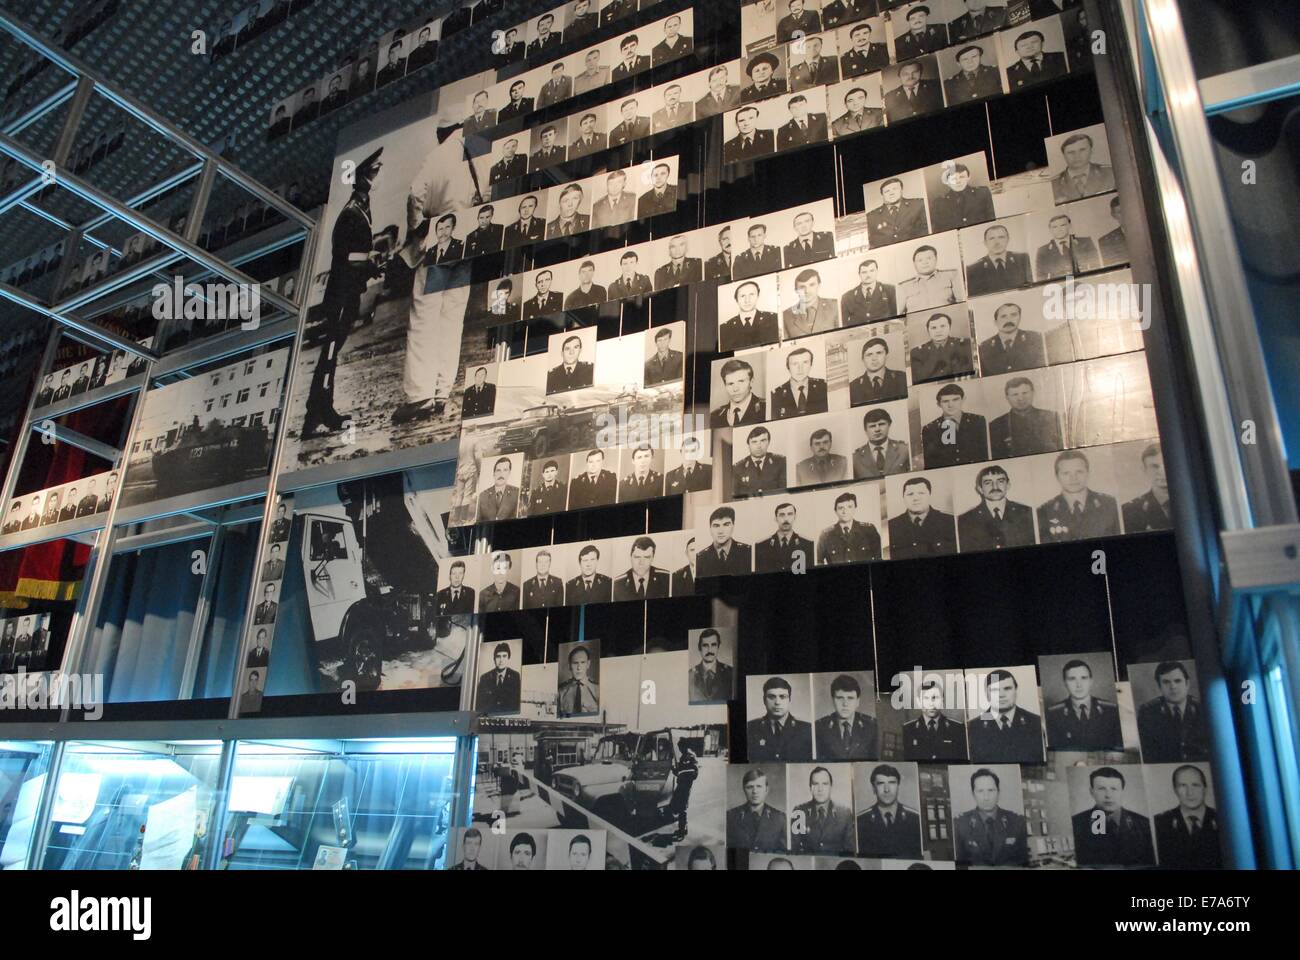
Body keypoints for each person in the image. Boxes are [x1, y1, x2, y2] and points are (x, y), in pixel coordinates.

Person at [300, 147, 383, 437]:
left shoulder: (360, 209)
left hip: (348, 292)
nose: (375, 179)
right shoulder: (351, 213)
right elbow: (346, 255)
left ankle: (320, 410)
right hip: (340, 294)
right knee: (330, 353)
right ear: (361, 180)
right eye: (373, 174)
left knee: (331, 354)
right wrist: (369, 261)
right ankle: (319, 412)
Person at [1072, 766, 1156, 866]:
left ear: (1122, 791)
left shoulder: (1144, 824)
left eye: (1114, 789)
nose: (1108, 795)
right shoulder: (1076, 823)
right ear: (1092, 792)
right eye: (1101, 789)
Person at [1038, 450, 1121, 541]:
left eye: (1079, 472)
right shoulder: (1044, 511)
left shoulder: (1110, 504)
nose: (1073, 478)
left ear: (1088, 473)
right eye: (1066, 473)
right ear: (1057, 476)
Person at [954, 768, 1029, 866]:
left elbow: (1024, 864)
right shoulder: (960, 824)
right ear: (973, 794)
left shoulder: (1017, 822)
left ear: (998, 792)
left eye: (991, 790)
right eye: (980, 791)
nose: (986, 797)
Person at [1137, 661, 1209, 762]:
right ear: (1159, 686)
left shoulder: (1203, 709)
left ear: (1187, 683)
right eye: (1166, 682)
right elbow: (1148, 753)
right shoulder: (1148, 713)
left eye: (1177, 681)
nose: (1173, 687)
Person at [1045, 658, 1123, 750]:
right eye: (1072, 679)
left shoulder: (1112, 710)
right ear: (1065, 683)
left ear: (1091, 681)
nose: (1079, 685)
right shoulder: (1052, 714)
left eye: (1084, 678)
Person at [968, 669, 1045, 761]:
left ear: (1016, 691)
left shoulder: (1035, 722)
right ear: (986, 694)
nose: (1001, 695)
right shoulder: (972, 727)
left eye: (1007, 688)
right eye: (994, 690)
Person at [1154, 765, 1221, 868]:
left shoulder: (1223, 820)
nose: (1190, 792)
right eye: (1182, 785)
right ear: (1175, 790)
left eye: (1195, 785)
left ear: (1205, 788)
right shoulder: (1159, 823)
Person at [957, 464, 1036, 550]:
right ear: (980, 489)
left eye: (1000, 481)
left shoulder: (1027, 512)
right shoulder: (966, 520)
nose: (995, 487)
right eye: (988, 483)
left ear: (1008, 485)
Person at [856, 764, 923, 858]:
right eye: (880, 783)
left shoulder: (915, 819)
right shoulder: (860, 821)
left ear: (898, 786)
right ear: (873, 788)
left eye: (892, 783)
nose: (886, 789)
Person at [989, 377, 1062, 458]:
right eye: (1015, 394)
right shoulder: (995, 426)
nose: (1020, 398)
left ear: (1033, 393)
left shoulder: (1051, 417)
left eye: (1025, 393)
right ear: (1007, 397)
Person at [921, 382, 989, 468]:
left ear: (963, 399)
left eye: (955, 399)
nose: (950, 405)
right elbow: (930, 464)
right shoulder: (930, 429)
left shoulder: (978, 421)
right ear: (938, 404)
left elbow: (985, 454)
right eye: (945, 401)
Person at [791, 766, 855, 855]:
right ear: (810, 787)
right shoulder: (799, 812)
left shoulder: (845, 813)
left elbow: (850, 850)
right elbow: (795, 849)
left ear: (831, 787)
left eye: (825, 784)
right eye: (815, 784)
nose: (820, 789)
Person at [747, 676, 814, 761]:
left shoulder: (807, 730)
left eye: (782, 697)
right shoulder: (750, 728)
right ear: (764, 700)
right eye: (771, 697)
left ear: (789, 699)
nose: (777, 702)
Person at [889, 476, 957, 558]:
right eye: (910, 494)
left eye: (921, 493)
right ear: (903, 498)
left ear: (930, 495)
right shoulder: (892, 526)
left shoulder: (950, 522)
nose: (916, 498)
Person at [815, 674, 878, 759]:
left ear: (857, 702)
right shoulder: (819, 728)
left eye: (850, 698)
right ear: (833, 700)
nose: (845, 704)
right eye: (840, 698)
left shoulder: (871, 726)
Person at [902, 679, 968, 759]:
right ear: (919, 702)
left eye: (935, 698)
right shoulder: (907, 729)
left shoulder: (957, 728)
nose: (931, 703)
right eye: (926, 698)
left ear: (942, 700)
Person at [727, 768, 788, 851]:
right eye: (750, 787)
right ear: (744, 789)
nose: (755, 791)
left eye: (759, 786)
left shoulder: (780, 818)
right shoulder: (731, 816)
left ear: (766, 789)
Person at [977, 301, 1046, 373]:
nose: (1008, 320)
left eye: (1013, 315)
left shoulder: (1034, 339)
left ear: (1019, 318)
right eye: (1003, 316)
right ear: (995, 322)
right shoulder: (985, 347)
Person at [816, 490, 882, 564]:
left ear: (855, 509)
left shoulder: (869, 530)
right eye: (841, 508)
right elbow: (818, 561)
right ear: (835, 511)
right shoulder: (826, 535)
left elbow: (879, 557)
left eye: (849, 507)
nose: (845, 511)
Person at [909, 311, 974, 383]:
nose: (938, 331)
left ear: (950, 327)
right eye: (934, 328)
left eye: (943, 326)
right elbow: (918, 378)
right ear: (928, 330)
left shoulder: (964, 345)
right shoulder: (917, 353)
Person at [1052, 131, 1116, 203]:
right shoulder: (1053, 184)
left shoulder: (1110, 173)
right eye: (1071, 152)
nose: (1077, 156)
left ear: (1091, 151)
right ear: (1064, 155)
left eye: (1082, 150)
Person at [719, 280, 781, 352]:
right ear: (736, 299)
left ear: (758, 296)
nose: (747, 300)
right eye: (742, 296)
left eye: (751, 294)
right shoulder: (724, 328)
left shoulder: (773, 319)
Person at [1035, 212, 1101, 278]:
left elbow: (1096, 267)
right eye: (1055, 227)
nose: (1059, 230)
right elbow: (1041, 278)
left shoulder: (1085, 242)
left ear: (1069, 226)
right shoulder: (1043, 251)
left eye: (1063, 225)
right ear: (1050, 229)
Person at [1122, 443, 1171, 532]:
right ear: (1144, 470)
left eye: (1167, 464)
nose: (1162, 472)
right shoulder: (1129, 511)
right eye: (1154, 466)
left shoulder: (1196, 500)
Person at [866, 177, 928, 247]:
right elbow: (872, 242)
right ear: (882, 195)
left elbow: (927, 229)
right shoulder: (871, 217)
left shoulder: (919, 205)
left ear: (901, 190)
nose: (891, 193)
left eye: (895, 189)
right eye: (887, 191)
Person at [755, 501, 814, 573]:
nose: (786, 519)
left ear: (795, 517)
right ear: (775, 518)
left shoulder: (807, 544)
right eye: (782, 515)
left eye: (790, 514)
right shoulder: (762, 546)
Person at [771, 346, 828, 419]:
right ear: (788, 367)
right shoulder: (776, 395)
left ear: (811, 365)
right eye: (795, 364)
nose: (800, 368)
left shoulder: (823, 387)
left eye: (805, 362)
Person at [853, 408, 911, 480]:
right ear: (865, 430)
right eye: (872, 426)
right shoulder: (855, 459)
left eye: (881, 424)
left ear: (889, 425)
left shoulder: (904, 450)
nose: (877, 429)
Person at [696, 506, 753, 577]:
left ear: (733, 526)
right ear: (710, 529)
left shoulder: (749, 552)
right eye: (716, 526)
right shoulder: (700, 559)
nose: (721, 531)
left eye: (726, 525)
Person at [849, 337, 906, 405]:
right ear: (863, 359)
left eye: (879, 353)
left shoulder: (902, 377)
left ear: (886, 355)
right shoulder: (853, 387)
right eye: (869, 354)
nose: (874, 358)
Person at [731, 425, 785, 497]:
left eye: (763, 441)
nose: (758, 446)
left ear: (768, 442)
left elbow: (784, 492)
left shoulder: (780, 462)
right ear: (748, 445)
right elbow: (734, 496)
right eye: (754, 442)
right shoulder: (737, 468)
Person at [841, 263, 898, 330]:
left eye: (872, 271)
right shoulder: (847, 297)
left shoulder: (890, 290)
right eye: (864, 272)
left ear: (877, 271)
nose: (868, 275)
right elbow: (845, 326)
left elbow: (895, 316)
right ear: (859, 274)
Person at [612, 535, 670, 600]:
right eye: (637, 557)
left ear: (653, 558)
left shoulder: (666, 579)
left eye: (647, 557)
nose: (641, 563)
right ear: (630, 557)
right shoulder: (617, 584)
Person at [690, 628, 735, 702]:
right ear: (699, 648)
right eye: (705, 645)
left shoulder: (731, 673)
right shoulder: (690, 675)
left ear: (718, 647)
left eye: (713, 645)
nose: (709, 650)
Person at [476, 642, 521, 713]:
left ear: (508, 658)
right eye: (498, 656)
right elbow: (479, 704)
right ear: (494, 659)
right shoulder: (485, 678)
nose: (501, 660)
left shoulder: (515, 676)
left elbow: (517, 704)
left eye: (504, 656)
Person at [558, 644, 599, 716]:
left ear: (588, 664)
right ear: (569, 666)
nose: (579, 668)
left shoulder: (597, 689)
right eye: (575, 663)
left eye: (583, 662)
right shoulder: (561, 692)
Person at [669, 744, 699, 839]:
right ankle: (683, 828)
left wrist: (680, 773)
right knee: (676, 805)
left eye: (680, 746)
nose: (679, 749)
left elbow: (694, 772)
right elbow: (679, 771)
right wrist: (674, 769)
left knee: (682, 808)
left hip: (685, 785)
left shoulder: (689, 756)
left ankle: (682, 830)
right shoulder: (684, 756)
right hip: (682, 784)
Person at [476, 457, 519, 521]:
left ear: (509, 473)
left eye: (505, 470)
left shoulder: (516, 493)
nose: (501, 474)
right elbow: (478, 521)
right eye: (498, 470)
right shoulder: (483, 496)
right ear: (494, 473)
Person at [1100, 196, 1128, 265]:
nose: (1124, 215)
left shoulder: (1147, 232)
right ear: (1113, 215)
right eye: (1119, 212)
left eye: (1126, 210)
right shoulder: (1106, 242)